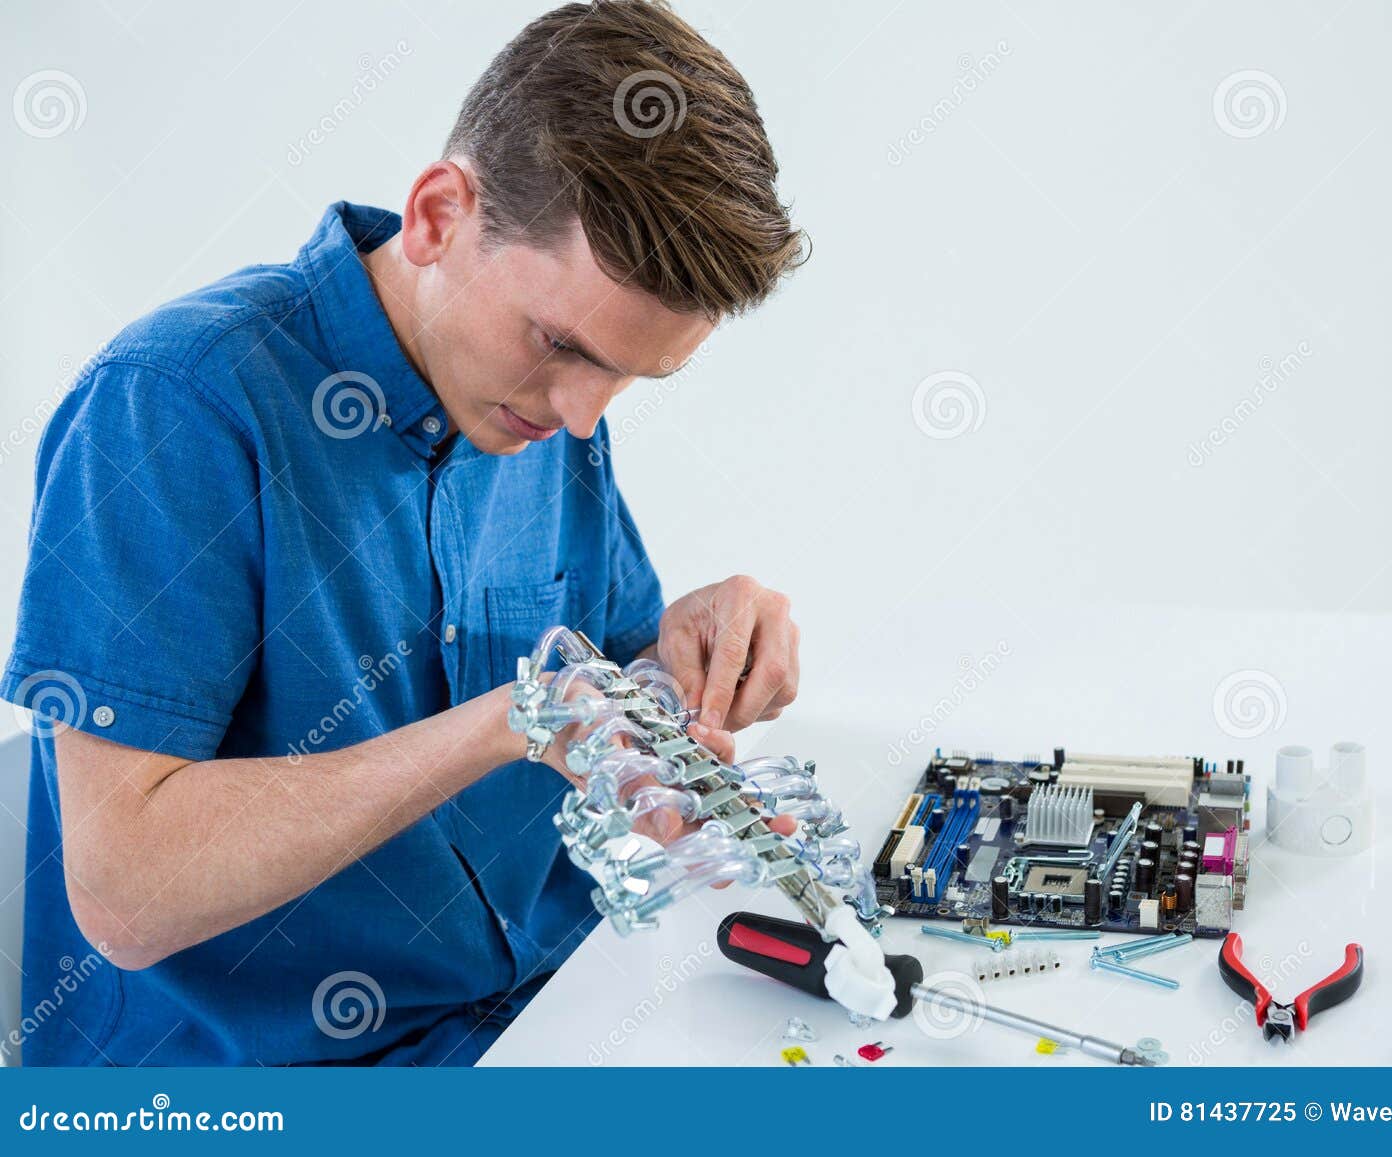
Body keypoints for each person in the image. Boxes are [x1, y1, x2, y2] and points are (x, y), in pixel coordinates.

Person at [1, 0, 804, 1066]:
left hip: (548, 1015)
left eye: (626, 374)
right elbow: (125, 894)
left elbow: (600, 685)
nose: (580, 415)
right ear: (436, 215)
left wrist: (675, 661)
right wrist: (501, 723)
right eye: (562, 344)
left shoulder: (537, 404)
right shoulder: (175, 407)